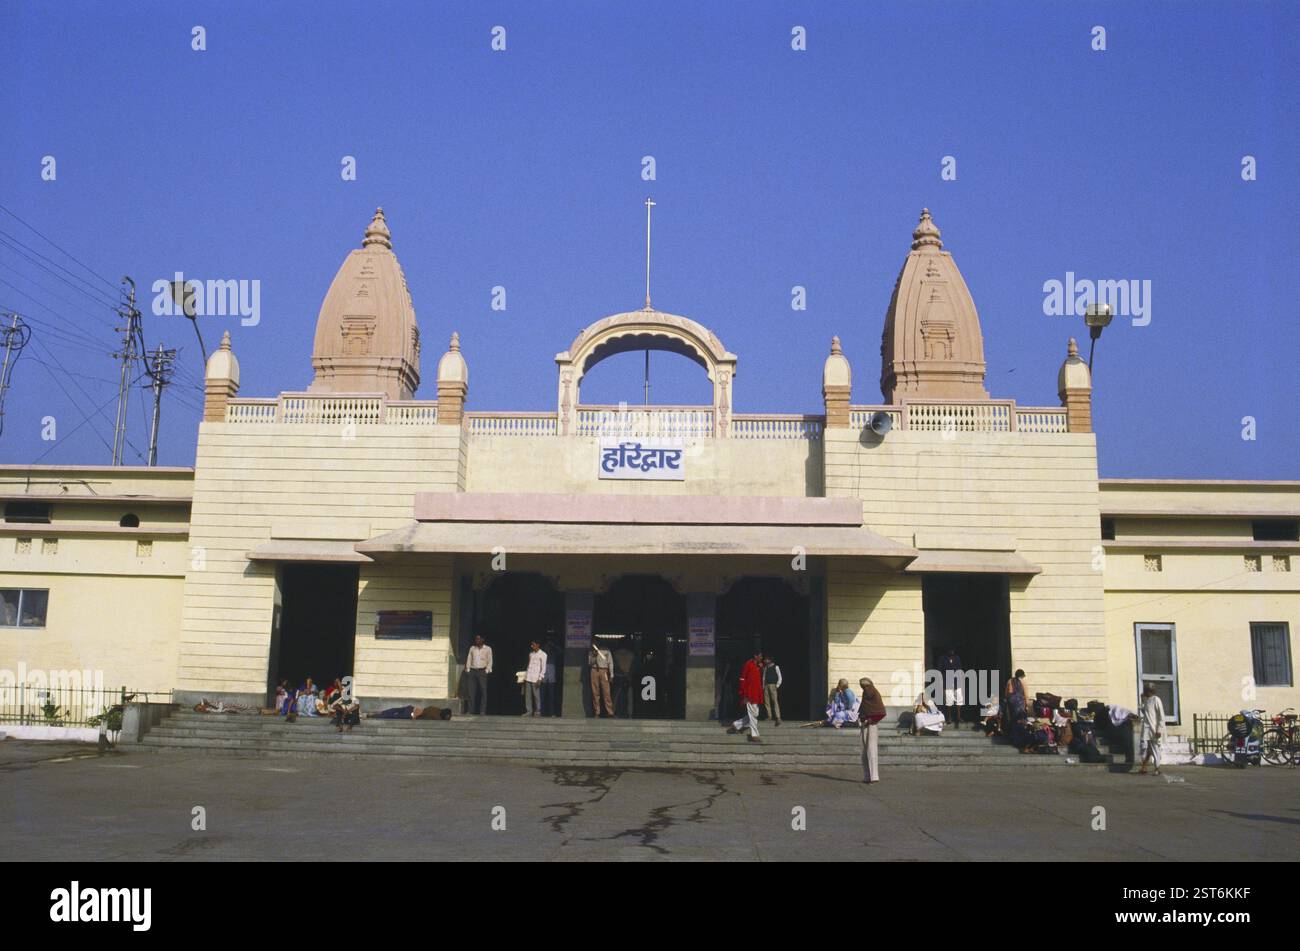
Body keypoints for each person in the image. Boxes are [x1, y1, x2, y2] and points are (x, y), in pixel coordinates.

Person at [726, 651, 764, 742]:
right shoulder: (748, 664)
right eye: (760, 656)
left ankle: (736, 725)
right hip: (749, 694)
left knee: (755, 714)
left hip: (757, 694)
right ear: (755, 656)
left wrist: (761, 668)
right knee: (753, 715)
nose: (761, 658)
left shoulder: (758, 666)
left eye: (762, 656)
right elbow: (742, 679)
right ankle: (754, 735)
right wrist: (744, 694)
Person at [858, 677, 886, 783]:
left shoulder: (875, 695)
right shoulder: (865, 696)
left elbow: (881, 712)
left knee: (872, 749)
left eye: (866, 686)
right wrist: (861, 719)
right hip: (863, 726)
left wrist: (870, 720)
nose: (865, 688)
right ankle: (866, 776)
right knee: (863, 751)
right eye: (863, 686)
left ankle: (874, 777)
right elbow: (862, 710)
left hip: (872, 726)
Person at [1138, 682, 1166, 775]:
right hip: (1146, 729)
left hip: (1154, 729)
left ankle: (1157, 768)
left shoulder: (1156, 699)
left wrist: (1159, 730)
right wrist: (1142, 701)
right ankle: (1144, 766)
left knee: (1155, 748)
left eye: (1145, 690)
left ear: (1149, 691)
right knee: (1144, 748)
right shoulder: (1147, 700)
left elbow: (1161, 716)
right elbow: (1144, 712)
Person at [465, 635, 493, 715]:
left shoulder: (487, 649)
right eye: (476, 638)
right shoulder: (472, 648)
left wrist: (487, 670)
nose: (477, 640)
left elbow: (490, 660)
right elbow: (469, 658)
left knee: (483, 691)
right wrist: (468, 669)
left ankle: (482, 711)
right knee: (471, 691)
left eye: (478, 638)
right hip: (473, 671)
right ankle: (470, 710)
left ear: (482, 639)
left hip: (482, 671)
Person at [938, 647, 964, 729]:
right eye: (950, 650)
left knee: (959, 699)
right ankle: (949, 717)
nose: (951, 651)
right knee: (949, 700)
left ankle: (959, 717)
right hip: (947, 681)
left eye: (953, 650)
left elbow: (960, 670)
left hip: (957, 681)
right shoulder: (943, 658)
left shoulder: (957, 658)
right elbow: (940, 671)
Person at [588, 637, 615, 718]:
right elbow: (590, 663)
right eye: (594, 642)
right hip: (594, 670)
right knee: (595, 692)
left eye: (596, 642)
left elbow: (610, 662)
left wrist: (612, 674)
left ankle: (610, 711)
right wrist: (594, 655)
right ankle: (597, 712)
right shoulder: (591, 651)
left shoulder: (606, 650)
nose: (595, 643)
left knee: (606, 691)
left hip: (604, 670)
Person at [522, 640, 547, 717]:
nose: (532, 646)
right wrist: (525, 677)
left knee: (536, 695)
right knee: (528, 696)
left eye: (533, 645)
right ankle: (529, 711)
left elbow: (543, 667)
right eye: (531, 645)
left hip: (536, 678)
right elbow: (529, 665)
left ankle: (538, 711)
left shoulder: (543, 654)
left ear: (538, 645)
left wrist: (540, 678)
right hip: (528, 677)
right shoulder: (531, 654)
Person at [612, 639, 636, 717]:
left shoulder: (615, 654)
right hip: (628, 677)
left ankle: (614, 712)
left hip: (618, 676)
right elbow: (633, 667)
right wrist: (629, 674)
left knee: (616, 696)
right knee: (629, 697)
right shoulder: (631, 654)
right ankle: (630, 714)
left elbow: (614, 666)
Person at [540, 637, 559, 717]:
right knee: (542, 695)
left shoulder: (554, 653)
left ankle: (552, 712)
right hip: (543, 673)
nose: (548, 647)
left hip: (551, 674)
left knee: (551, 695)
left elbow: (561, 651)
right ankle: (541, 711)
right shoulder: (542, 653)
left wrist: (553, 645)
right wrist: (545, 646)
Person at [762, 657, 783, 726]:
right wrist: (763, 686)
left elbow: (779, 676)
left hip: (773, 685)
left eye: (766, 659)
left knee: (775, 701)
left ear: (770, 660)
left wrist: (777, 685)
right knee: (767, 702)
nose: (765, 660)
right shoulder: (765, 668)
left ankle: (778, 717)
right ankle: (769, 716)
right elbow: (764, 677)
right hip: (766, 685)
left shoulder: (776, 667)